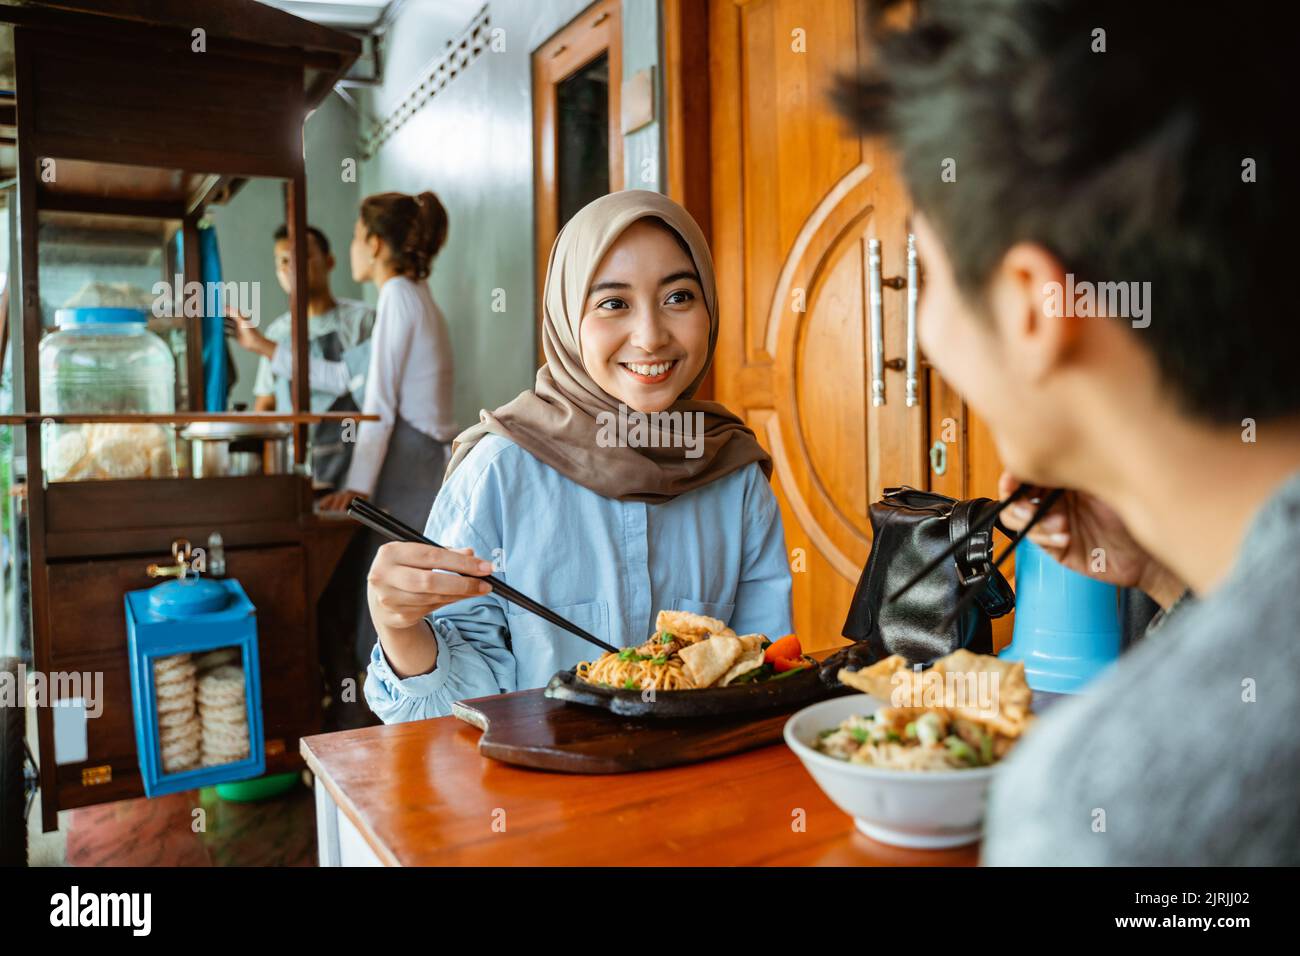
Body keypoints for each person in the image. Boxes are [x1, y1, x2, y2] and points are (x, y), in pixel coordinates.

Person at [834, 0, 1298, 864]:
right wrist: (1158, 568)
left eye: (923, 276)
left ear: (1033, 310)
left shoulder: (1108, 802)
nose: (925, 332)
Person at [362, 190, 793, 723]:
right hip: (541, 796)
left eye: (679, 296)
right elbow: (454, 713)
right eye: (613, 303)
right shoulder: (500, 472)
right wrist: (401, 629)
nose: (651, 336)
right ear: (566, 317)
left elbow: (762, 672)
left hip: (700, 788)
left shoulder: (733, 474)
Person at [316, 192, 458, 519]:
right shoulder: (417, 292)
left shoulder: (396, 294)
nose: (351, 248)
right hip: (425, 457)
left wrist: (357, 488)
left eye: (355, 237)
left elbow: (379, 402)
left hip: (413, 461)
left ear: (375, 244)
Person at [229, 224, 374, 488]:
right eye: (283, 260)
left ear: (329, 262)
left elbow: (374, 400)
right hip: (292, 474)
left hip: (353, 475)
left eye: (301, 256)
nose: (290, 266)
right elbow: (265, 406)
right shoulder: (277, 332)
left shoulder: (362, 321)